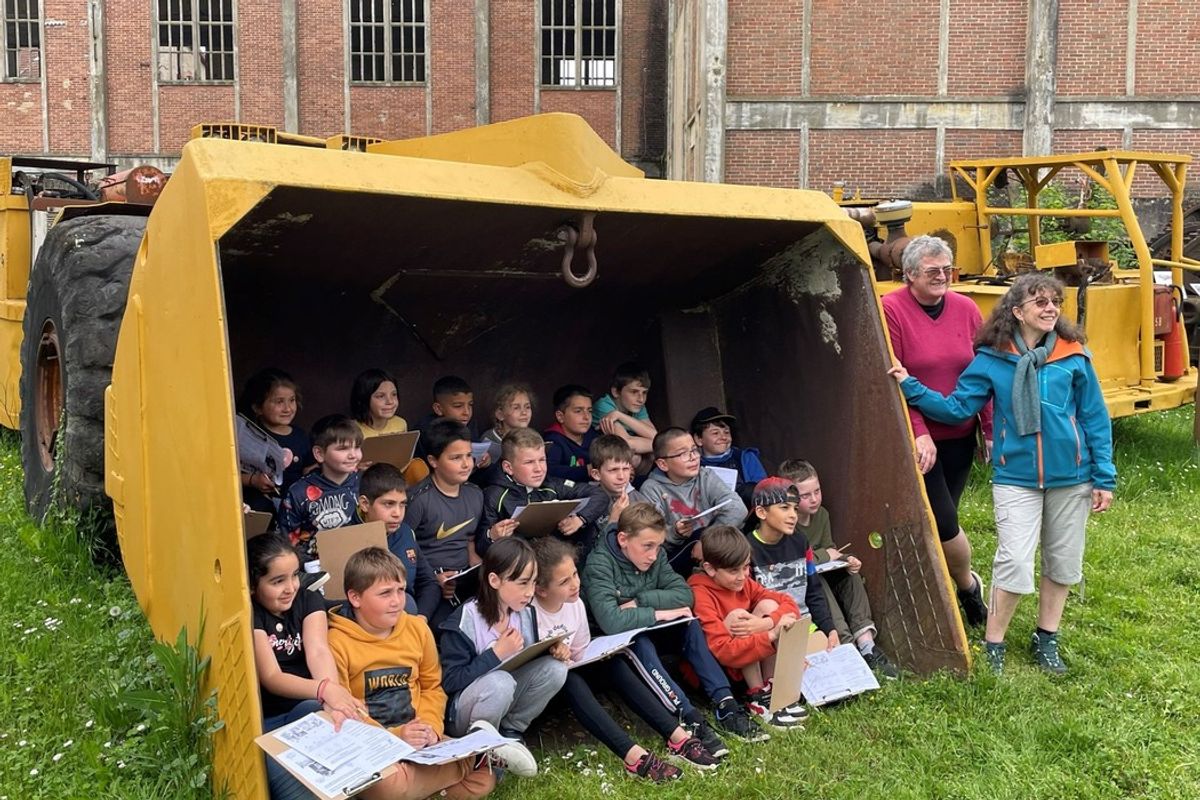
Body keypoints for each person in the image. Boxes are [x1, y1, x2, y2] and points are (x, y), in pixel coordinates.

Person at [889, 272, 1115, 675]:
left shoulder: (1073, 355)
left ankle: (1047, 638)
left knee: (1063, 561)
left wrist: (1104, 476)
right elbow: (958, 408)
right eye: (1040, 302)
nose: (1050, 309)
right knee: (1013, 560)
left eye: (1055, 302)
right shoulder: (992, 360)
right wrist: (913, 388)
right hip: (1017, 478)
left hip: (1072, 477)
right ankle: (994, 642)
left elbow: (1094, 417)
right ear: (1017, 312)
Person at [326, 546, 529, 793]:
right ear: (355, 598)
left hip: (421, 742)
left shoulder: (417, 629)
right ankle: (473, 760)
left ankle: (429, 781)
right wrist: (397, 736)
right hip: (375, 746)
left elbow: (432, 687)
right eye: (385, 593)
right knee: (388, 786)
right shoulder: (337, 641)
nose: (397, 601)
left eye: (401, 590)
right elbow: (345, 710)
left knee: (484, 781)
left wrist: (430, 728)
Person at [583, 502, 767, 744]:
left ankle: (726, 704)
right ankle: (688, 716)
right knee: (640, 642)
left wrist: (640, 601)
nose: (653, 555)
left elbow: (684, 594)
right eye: (647, 546)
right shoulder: (599, 564)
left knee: (689, 624)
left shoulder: (656, 557)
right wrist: (659, 614)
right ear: (623, 539)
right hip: (612, 643)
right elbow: (611, 621)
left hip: (648, 624)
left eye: (658, 546)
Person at [531, 538, 712, 779]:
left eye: (575, 574)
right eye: (564, 582)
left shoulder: (575, 604)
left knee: (615, 665)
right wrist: (552, 651)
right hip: (548, 688)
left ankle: (677, 737)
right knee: (570, 680)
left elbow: (580, 650)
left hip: (572, 669)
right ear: (541, 589)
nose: (575, 584)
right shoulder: (529, 612)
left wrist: (600, 654)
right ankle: (633, 757)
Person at [881, 235, 992, 627]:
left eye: (947, 269)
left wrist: (988, 427)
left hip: (960, 434)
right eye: (933, 271)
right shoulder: (891, 309)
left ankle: (939, 586)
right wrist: (918, 431)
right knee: (942, 521)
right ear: (910, 274)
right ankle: (968, 587)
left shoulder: (966, 308)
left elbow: (984, 371)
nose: (943, 276)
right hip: (920, 441)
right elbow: (894, 377)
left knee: (945, 520)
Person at [247, 533, 363, 800]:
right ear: (253, 585)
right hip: (270, 719)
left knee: (326, 719)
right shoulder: (252, 613)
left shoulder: (308, 600)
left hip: (306, 705)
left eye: (295, 576)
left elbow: (318, 651)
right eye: (278, 581)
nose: (291, 587)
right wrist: (323, 689)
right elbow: (271, 676)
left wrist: (332, 698)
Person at [437, 538, 569, 747]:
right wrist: (495, 654)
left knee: (556, 669)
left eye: (533, 582)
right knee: (500, 682)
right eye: (523, 583)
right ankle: (482, 744)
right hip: (464, 711)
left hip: (506, 695)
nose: (530, 592)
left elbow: (528, 661)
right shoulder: (464, 621)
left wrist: (553, 650)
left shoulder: (525, 614)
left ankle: (511, 730)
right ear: (494, 580)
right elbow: (451, 681)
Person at [777, 460, 899, 678]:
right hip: (804, 585)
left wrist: (846, 559)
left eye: (817, 491)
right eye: (806, 495)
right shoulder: (787, 524)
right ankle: (846, 646)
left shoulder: (822, 515)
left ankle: (867, 644)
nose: (814, 499)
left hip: (825, 571)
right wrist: (825, 555)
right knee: (819, 581)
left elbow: (830, 548)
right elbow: (796, 562)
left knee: (851, 576)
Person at [687, 525, 806, 729]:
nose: (743, 576)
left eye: (746, 567)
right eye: (734, 570)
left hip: (744, 659)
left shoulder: (744, 582)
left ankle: (772, 689)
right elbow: (723, 651)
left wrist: (765, 623)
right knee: (739, 619)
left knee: (769, 606)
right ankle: (757, 696)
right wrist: (769, 634)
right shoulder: (700, 594)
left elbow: (789, 604)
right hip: (721, 669)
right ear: (710, 569)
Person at [478, 428, 605, 560]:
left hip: (556, 558)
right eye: (529, 462)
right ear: (508, 467)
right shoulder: (494, 496)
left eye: (542, 460)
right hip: (520, 563)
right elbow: (481, 546)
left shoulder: (552, 484)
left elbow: (598, 494)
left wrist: (580, 519)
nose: (539, 469)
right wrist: (492, 536)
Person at [405, 419, 486, 625]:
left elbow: (469, 539)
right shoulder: (418, 500)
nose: (466, 464)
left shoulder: (475, 494)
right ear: (433, 461)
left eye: (469, 455)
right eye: (456, 458)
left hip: (464, 577)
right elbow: (404, 547)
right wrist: (433, 577)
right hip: (430, 583)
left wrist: (477, 565)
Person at [745, 478, 840, 651]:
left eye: (795, 508)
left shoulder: (800, 542)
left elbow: (814, 591)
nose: (793, 515)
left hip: (805, 627)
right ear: (761, 512)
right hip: (769, 634)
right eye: (784, 507)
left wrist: (829, 629)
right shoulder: (746, 549)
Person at [639, 427, 748, 574]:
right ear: (663, 464)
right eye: (683, 454)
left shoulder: (705, 476)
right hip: (678, 557)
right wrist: (675, 532)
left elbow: (737, 508)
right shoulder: (652, 489)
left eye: (694, 450)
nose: (693, 457)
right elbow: (650, 536)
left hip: (711, 546)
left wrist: (707, 543)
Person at [356, 463, 439, 618]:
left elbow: (428, 582)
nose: (397, 513)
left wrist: (421, 618)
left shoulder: (406, 533)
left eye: (402, 505)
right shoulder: (343, 539)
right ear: (365, 504)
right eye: (389, 504)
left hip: (407, 619)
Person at [279, 414, 363, 564]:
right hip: (313, 567)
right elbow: (287, 542)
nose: (353, 455)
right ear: (319, 454)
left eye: (357, 447)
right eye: (343, 448)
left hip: (360, 563)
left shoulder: (364, 483)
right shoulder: (298, 493)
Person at [238, 368, 312, 513]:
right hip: (259, 508)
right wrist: (253, 480)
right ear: (257, 407)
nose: (288, 408)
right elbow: (228, 476)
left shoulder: (300, 436)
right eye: (279, 402)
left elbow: (309, 470)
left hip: (295, 509)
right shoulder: (248, 437)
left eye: (292, 400)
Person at [350, 368, 429, 485]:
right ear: (364, 399)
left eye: (394, 394)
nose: (390, 401)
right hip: (368, 481)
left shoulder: (400, 423)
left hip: (396, 477)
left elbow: (404, 459)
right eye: (380, 396)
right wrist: (356, 468)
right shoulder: (352, 429)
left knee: (417, 466)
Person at [689, 407, 767, 508]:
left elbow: (764, 490)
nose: (723, 437)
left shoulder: (745, 458)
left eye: (726, 432)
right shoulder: (694, 465)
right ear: (699, 439)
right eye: (715, 433)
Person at [591, 362, 657, 461]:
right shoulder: (604, 405)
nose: (641, 399)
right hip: (599, 456)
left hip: (623, 453)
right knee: (634, 457)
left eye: (644, 393)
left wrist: (619, 415)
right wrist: (662, 445)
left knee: (652, 455)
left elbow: (654, 435)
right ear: (615, 392)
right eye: (634, 392)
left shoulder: (637, 405)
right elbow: (626, 443)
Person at [586, 434, 649, 531]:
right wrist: (614, 519)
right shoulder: (587, 500)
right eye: (613, 470)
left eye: (626, 469)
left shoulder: (640, 501)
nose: (621, 477)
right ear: (596, 474)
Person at [543, 384, 602, 482]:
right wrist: (587, 470)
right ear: (560, 416)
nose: (586, 417)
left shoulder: (594, 436)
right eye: (578, 411)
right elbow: (550, 470)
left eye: (589, 411)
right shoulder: (553, 440)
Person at [480, 382, 534, 456]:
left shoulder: (532, 437)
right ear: (500, 414)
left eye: (527, 407)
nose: (524, 412)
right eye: (516, 408)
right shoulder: (490, 440)